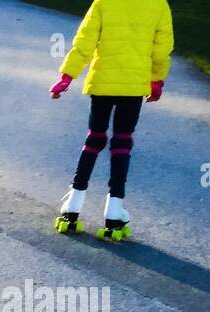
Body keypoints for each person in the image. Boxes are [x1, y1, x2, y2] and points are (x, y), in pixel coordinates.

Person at [49, 0, 174, 240]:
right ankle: (114, 210)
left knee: (94, 139)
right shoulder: (159, 5)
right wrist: (156, 80)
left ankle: (73, 205)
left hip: (102, 83)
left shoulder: (103, 3)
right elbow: (161, 48)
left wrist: (67, 76)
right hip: (133, 86)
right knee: (122, 143)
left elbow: (84, 40)